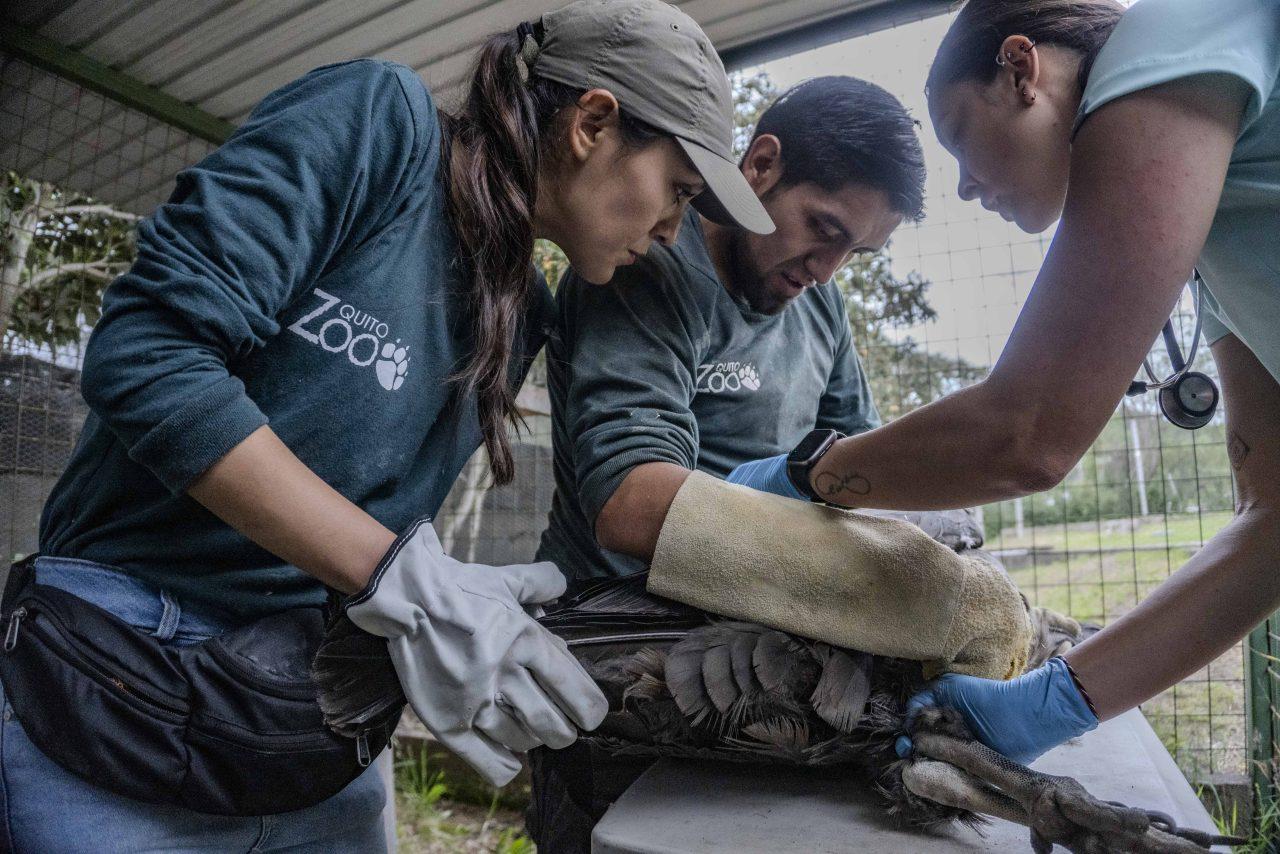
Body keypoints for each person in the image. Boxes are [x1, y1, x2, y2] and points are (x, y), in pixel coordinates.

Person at [1, 1, 775, 850]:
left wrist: (430, 600)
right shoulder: (381, 123)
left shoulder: (523, 313)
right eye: (679, 192)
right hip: (121, 672)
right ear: (594, 122)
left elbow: (377, 515)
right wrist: (401, 582)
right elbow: (150, 353)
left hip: (308, 708)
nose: (671, 233)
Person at [726, 0, 1280, 767]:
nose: (962, 189)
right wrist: (1055, 702)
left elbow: (1028, 435)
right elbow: (1273, 521)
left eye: (957, 136)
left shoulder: (1172, 40)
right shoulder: (1220, 241)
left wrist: (804, 475)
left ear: (1022, 69)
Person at [528, 75, 927, 851]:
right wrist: (806, 492)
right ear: (762, 165)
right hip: (617, 652)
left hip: (766, 655)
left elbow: (865, 469)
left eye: (857, 251)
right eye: (823, 227)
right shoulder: (646, 260)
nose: (827, 268)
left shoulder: (818, 303)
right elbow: (631, 502)